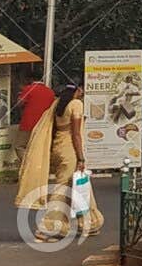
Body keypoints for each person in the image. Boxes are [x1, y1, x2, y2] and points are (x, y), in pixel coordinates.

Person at [14, 80, 103, 241]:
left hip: (58, 147)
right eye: (81, 90)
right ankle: (47, 228)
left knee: (80, 184)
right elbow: (75, 133)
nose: (82, 93)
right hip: (70, 150)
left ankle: (89, 224)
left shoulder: (58, 105)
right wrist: (81, 157)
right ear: (77, 90)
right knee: (63, 188)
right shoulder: (76, 104)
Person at [14, 75, 56, 164]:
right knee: (38, 147)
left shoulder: (28, 88)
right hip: (43, 125)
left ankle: (29, 164)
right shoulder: (50, 92)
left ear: (30, 79)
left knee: (20, 146)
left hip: (28, 123)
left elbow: (19, 104)